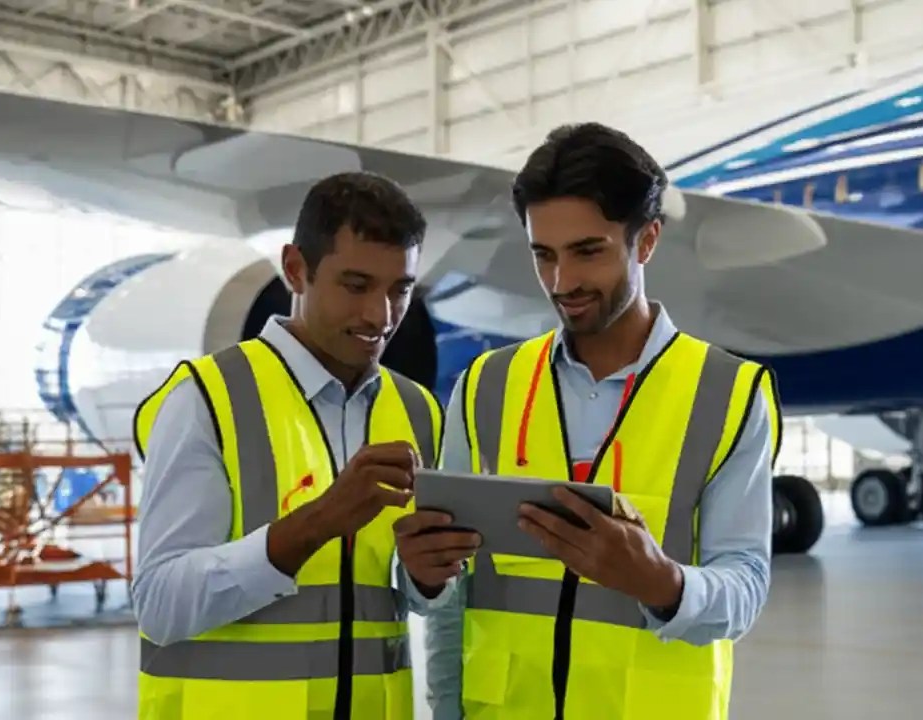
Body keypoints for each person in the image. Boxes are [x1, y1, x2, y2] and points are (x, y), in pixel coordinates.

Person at [419, 122, 782, 719]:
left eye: (588, 252)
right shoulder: (487, 387)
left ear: (646, 241)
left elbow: (744, 587)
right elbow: (449, 601)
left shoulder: (727, 393)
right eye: (544, 255)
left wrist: (661, 583)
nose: (563, 283)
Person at [130, 171, 482, 720]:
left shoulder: (417, 411)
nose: (380, 317)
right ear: (296, 269)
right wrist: (316, 522)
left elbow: (394, 596)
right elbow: (160, 604)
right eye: (356, 285)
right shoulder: (208, 398)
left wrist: (424, 577)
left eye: (400, 290)